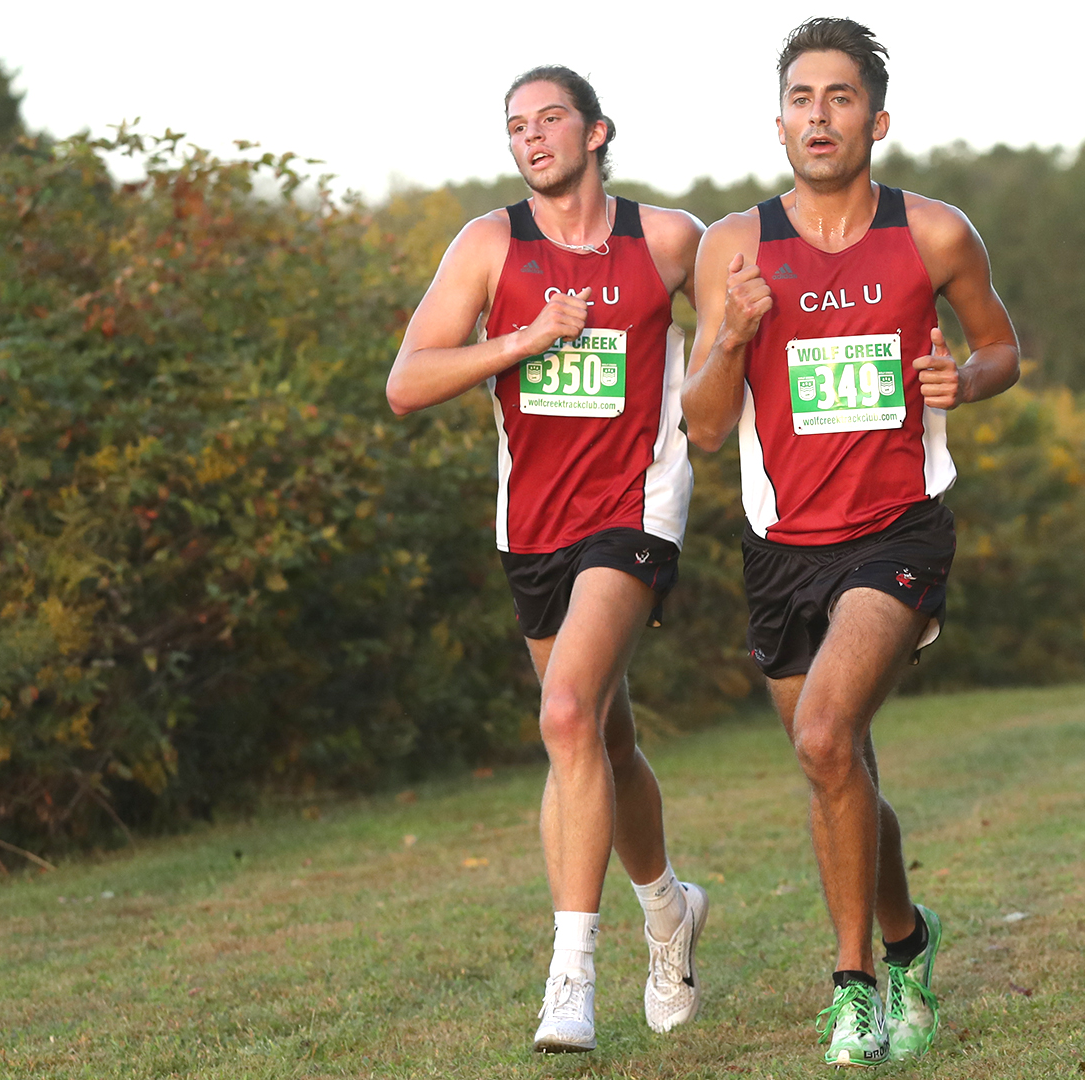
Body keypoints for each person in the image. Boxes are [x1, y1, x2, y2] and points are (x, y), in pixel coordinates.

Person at [681, 17, 1019, 1068]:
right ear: (779, 119)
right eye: (801, 98)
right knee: (845, 768)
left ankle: (853, 987)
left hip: (899, 531)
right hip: (783, 545)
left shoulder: (934, 234)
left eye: (838, 98)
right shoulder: (732, 246)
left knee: (826, 740)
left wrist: (962, 378)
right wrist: (734, 333)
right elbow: (698, 422)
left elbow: (1002, 347)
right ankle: (911, 939)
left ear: (877, 119)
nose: (818, 116)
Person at [385, 66, 709, 1054]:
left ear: (596, 130)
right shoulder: (490, 245)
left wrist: (714, 393)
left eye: (549, 119)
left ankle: (570, 980)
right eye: (515, 125)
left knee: (564, 711)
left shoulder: (665, 240)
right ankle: (668, 908)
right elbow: (409, 380)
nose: (530, 137)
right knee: (603, 740)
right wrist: (523, 339)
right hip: (531, 527)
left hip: (635, 512)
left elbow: (746, 327)